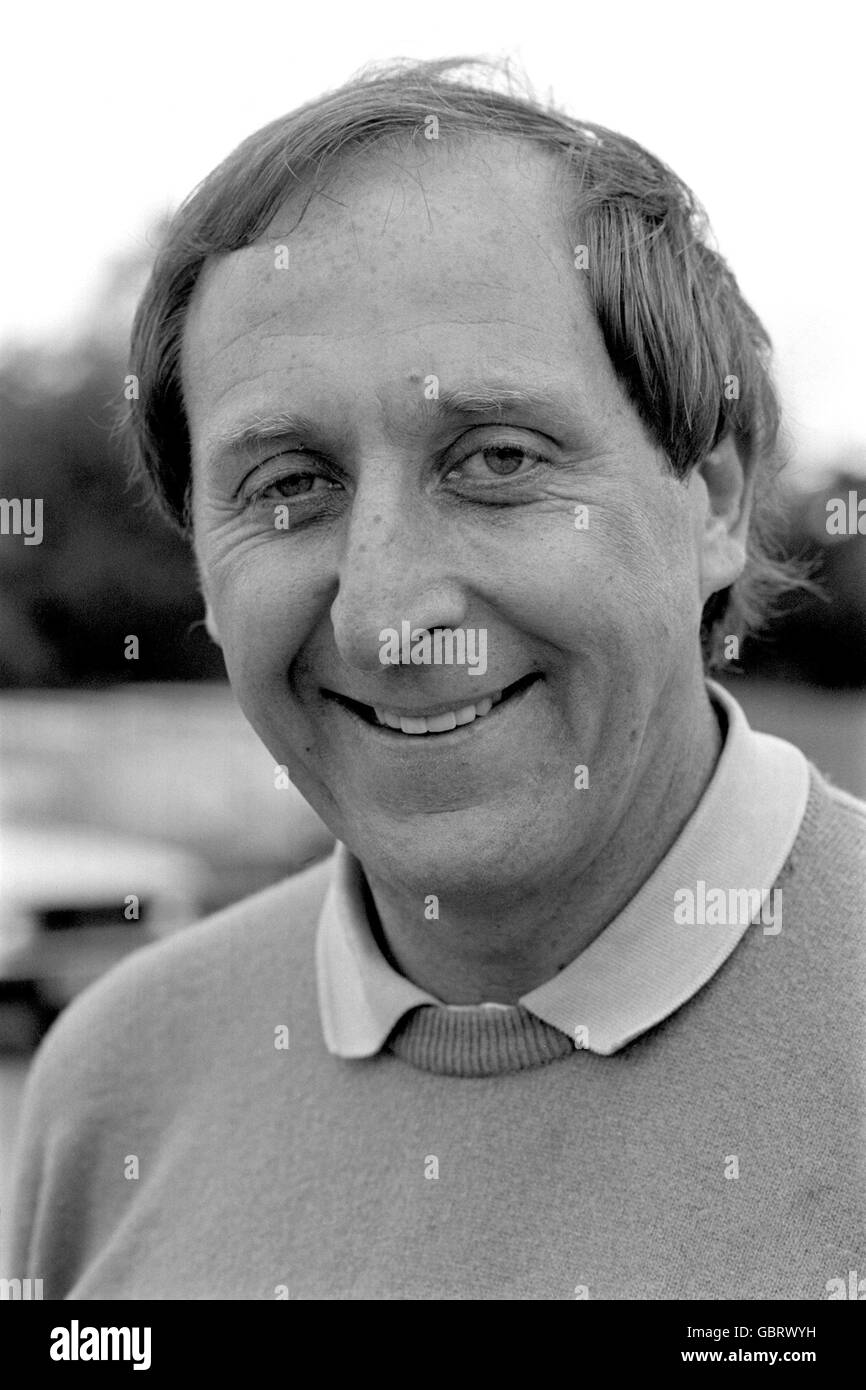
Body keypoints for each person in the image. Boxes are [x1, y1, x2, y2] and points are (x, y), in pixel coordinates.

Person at [6, 56, 865, 1301]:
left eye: (496, 460)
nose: (389, 614)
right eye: (288, 485)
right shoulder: (112, 1082)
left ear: (713, 498)